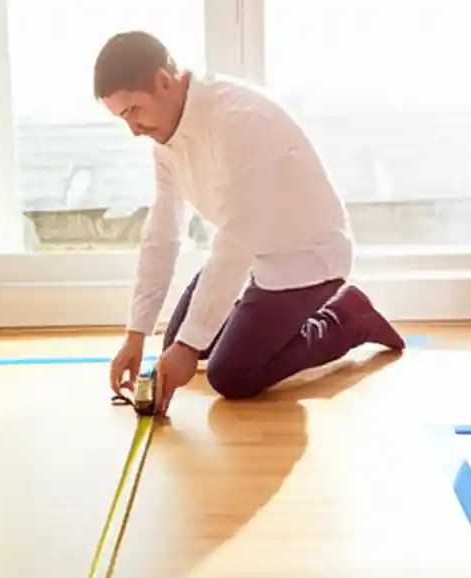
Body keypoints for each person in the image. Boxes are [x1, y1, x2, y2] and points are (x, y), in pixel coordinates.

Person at [95, 31, 404, 415]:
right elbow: (161, 235)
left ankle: (349, 316)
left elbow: (235, 241)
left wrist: (189, 346)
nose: (133, 129)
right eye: (123, 117)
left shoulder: (238, 120)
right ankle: (247, 321)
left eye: (133, 110)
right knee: (178, 342)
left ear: (163, 81)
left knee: (230, 375)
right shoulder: (165, 139)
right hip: (252, 256)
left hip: (305, 259)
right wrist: (136, 334)